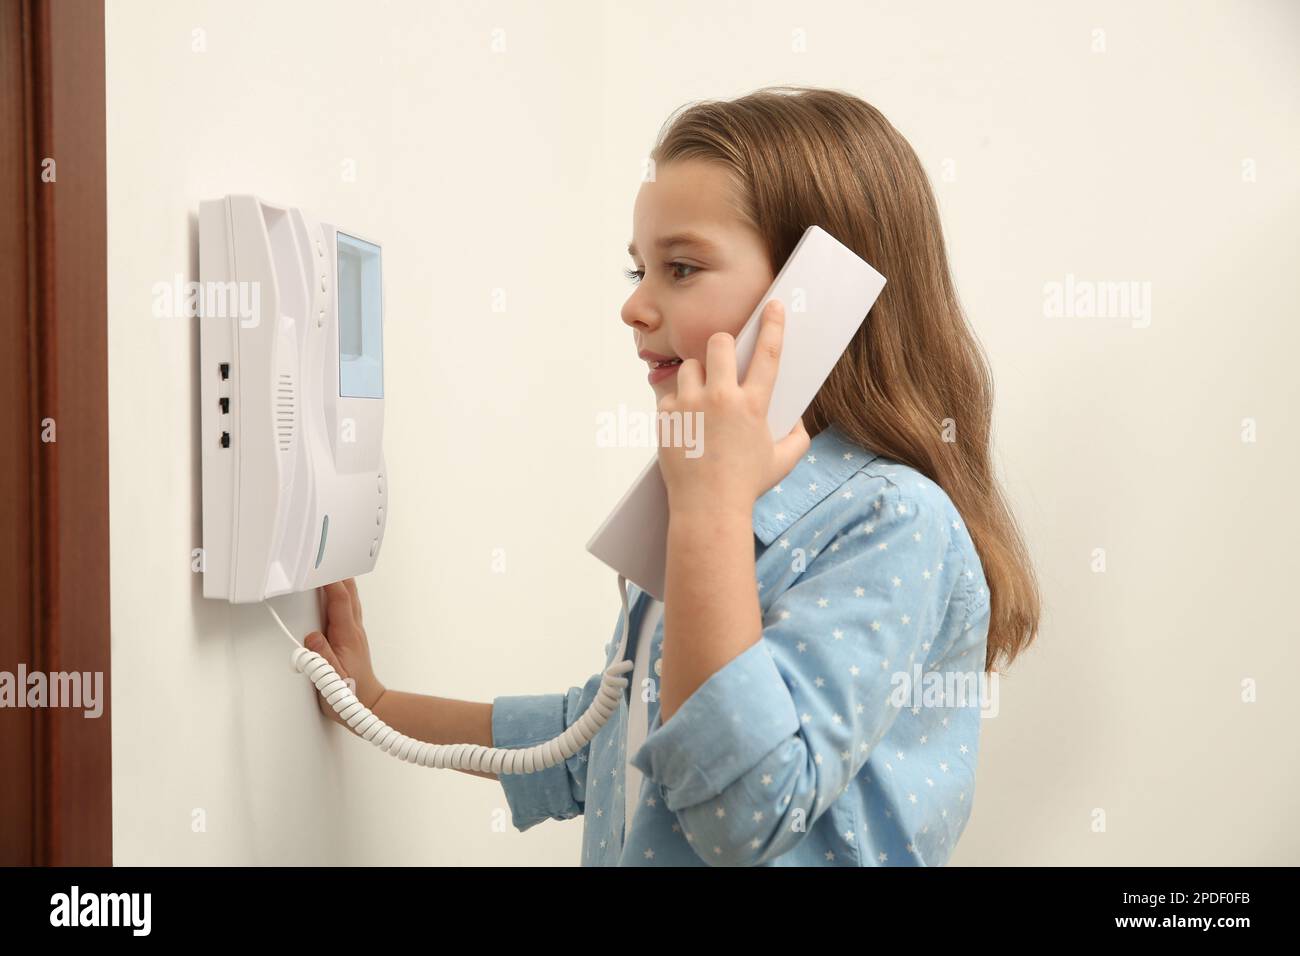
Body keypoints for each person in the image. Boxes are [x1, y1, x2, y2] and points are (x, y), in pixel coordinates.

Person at [304, 85, 1041, 866]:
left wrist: (710, 512)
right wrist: (376, 705)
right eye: (638, 271)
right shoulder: (713, 504)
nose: (636, 308)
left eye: (681, 268)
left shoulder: (891, 520)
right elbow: (604, 739)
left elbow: (743, 812)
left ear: (818, 297)